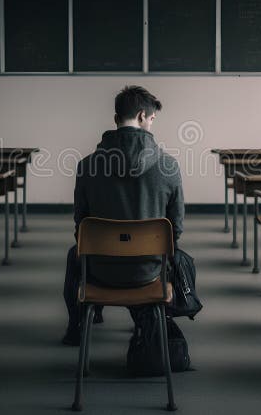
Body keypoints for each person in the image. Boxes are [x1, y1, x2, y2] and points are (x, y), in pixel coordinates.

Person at [62, 85, 185, 345]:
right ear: (142, 116)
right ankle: (151, 318)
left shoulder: (87, 166)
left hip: (98, 269)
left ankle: (78, 325)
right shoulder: (169, 166)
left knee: (74, 254)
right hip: (149, 271)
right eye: (152, 119)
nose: (151, 123)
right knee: (176, 257)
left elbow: (80, 225)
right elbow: (176, 229)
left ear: (117, 119)